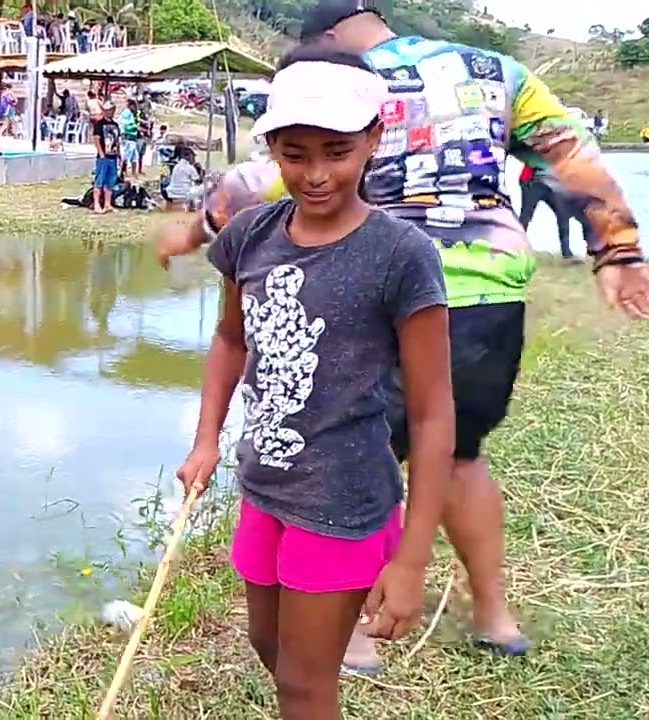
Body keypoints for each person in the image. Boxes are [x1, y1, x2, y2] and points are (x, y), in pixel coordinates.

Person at [158, 0, 649, 675]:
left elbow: (268, 180)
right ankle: (493, 614)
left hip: (370, 289)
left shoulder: (348, 84)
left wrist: (194, 229)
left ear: (326, 39)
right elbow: (571, 154)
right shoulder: (495, 69)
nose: (319, 162)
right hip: (487, 287)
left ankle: (351, 620)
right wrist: (618, 248)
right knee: (460, 454)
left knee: (358, 447)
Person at [177, 47, 452, 718]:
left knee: (305, 684)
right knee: (271, 651)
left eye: (336, 150)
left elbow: (433, 413)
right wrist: (206, 439)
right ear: (271, 145)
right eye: (295, 154)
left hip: (346, 499)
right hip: (265, 484)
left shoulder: (401, 257)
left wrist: (412, 562)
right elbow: (230, 339)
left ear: (374, 139)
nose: (317, 173)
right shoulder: (250, 235)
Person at [518, 165, 586, 263]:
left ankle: (567, 254)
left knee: (563, 215)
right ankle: (515, 250)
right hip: (533, 183)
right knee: (526, 216)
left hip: (553, 185)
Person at [91, 101, 121, 214]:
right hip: (103, 156)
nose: (110, 112)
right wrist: (101, 153)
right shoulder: (99, 124)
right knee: (99, 180)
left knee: (110, 181)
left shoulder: (115, 125)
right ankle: (97, 204)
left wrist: (119, 154)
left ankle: (108, 204)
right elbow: (96, 138)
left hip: (113, 156)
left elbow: (117, 140)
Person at [117, 98, 140, 179]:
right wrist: (136, 128)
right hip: (128, 136)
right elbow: (126, 125)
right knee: (126, 156)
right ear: (131, 105)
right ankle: (123, 172)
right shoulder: (126, 112)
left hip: (133, 137)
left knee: (135, 157)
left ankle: (134, 173)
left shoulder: (132, 114)